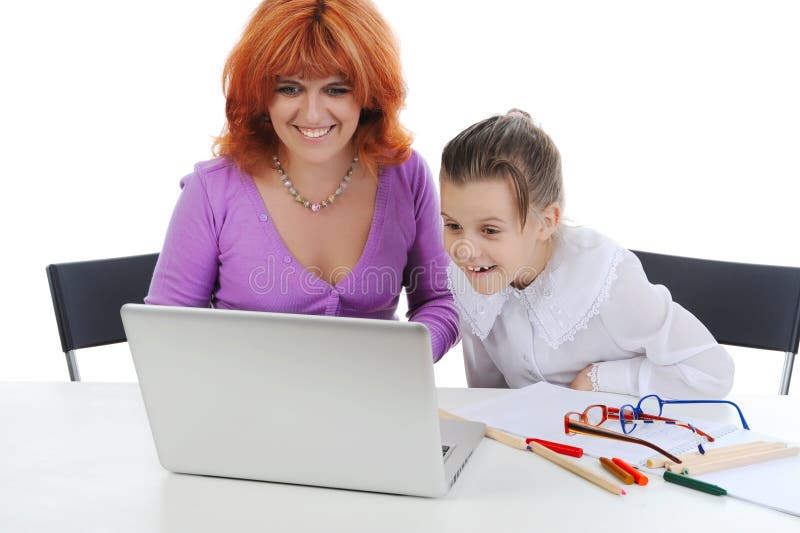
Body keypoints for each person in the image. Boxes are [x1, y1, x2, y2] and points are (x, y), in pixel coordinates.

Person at [146, 0, 459, 361]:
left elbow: (439, 300)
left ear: (370, 93)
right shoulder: (213, 190)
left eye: (337, 89)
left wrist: (406, 359)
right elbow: (164, 335)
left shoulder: (406, 175)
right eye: (290, 89)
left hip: (372, 407)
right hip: (246, 409)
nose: (312, 114)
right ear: (261, 94)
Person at [439, 110, 734, 397]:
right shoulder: (470, 276)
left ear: (546, 222)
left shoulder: (607, 280)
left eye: (490, 230)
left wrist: (598, 379)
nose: (465, 249)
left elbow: (712, 372)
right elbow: (486, 397)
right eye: (453, 225)